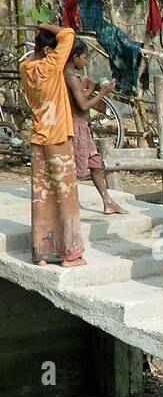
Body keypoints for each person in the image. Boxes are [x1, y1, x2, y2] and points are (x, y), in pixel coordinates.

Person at [20, 22, 85, 267]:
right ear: (49, 52)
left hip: (38, 137)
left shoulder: (25, 67)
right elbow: (68, 33)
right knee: (66, 196)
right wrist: (46, 25)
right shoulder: (51, 65)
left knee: (42, 196)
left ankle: (42, 254)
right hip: (57, 137)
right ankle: (70, 254)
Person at [63, 39, 123, 215]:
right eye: (84, 57)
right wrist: (102, 93)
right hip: (76, 127)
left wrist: (95, 88)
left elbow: (79, 97)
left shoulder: (71, 75)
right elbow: (82, 106)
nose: (86, 61)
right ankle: (68, 208)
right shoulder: (71, 77)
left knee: (95, 163)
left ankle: (107, 201)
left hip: (83, 127)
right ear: (75, 58)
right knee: (76, 169)